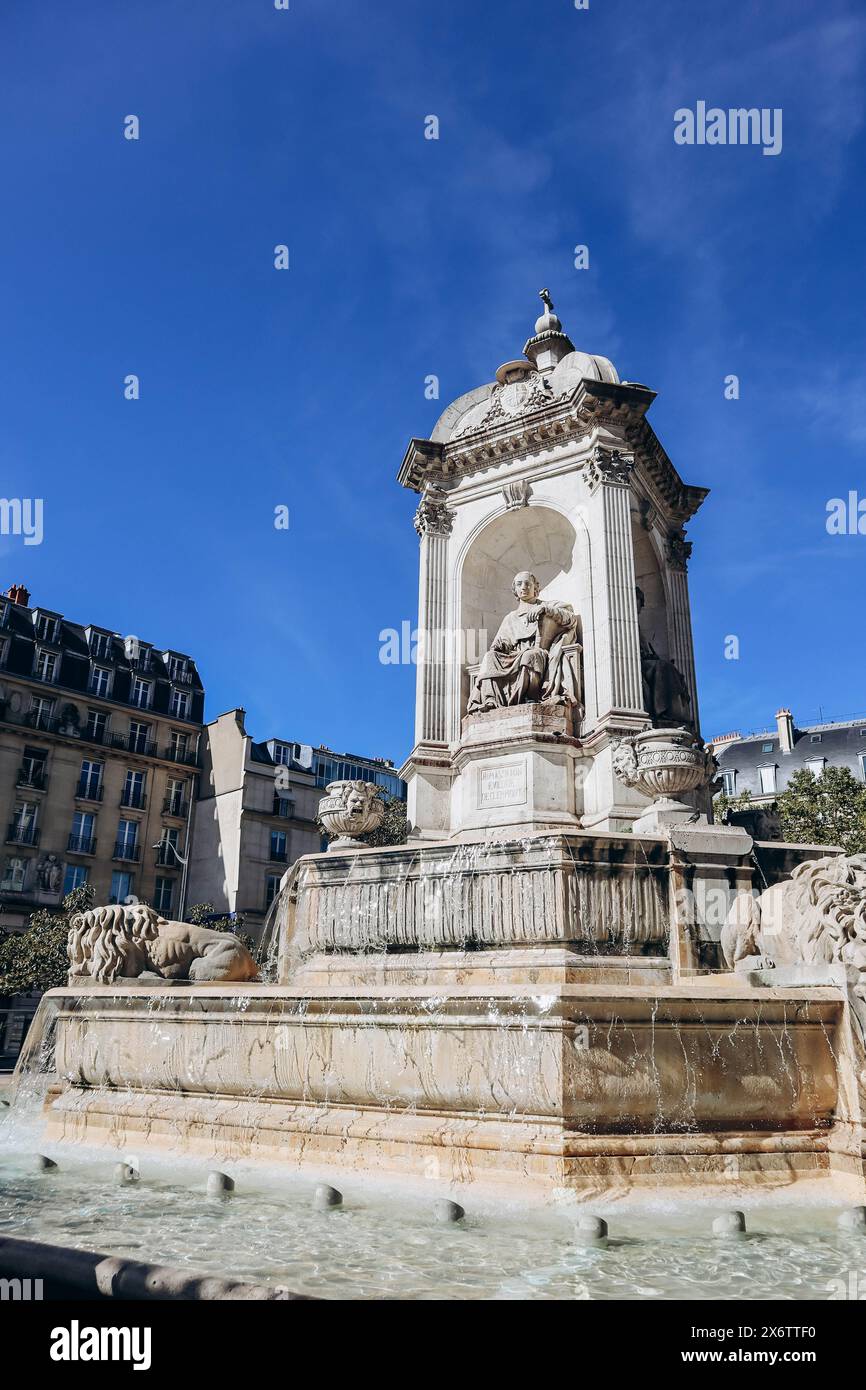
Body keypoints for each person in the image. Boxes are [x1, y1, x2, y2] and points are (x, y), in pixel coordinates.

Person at [468, 572, 580, 713]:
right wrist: (500, 645)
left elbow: (571, 619)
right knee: (490, 657)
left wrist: (547, 610)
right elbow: (500, 644)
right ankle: (491, 700)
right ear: (515, 589)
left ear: (536, 587)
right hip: (514, 655)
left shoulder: (549, 606)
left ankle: (530, 696)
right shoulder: (510, 618)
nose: (524, 587)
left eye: (528, 583)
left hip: (540, 653)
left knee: (530, 657)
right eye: (519, 584)